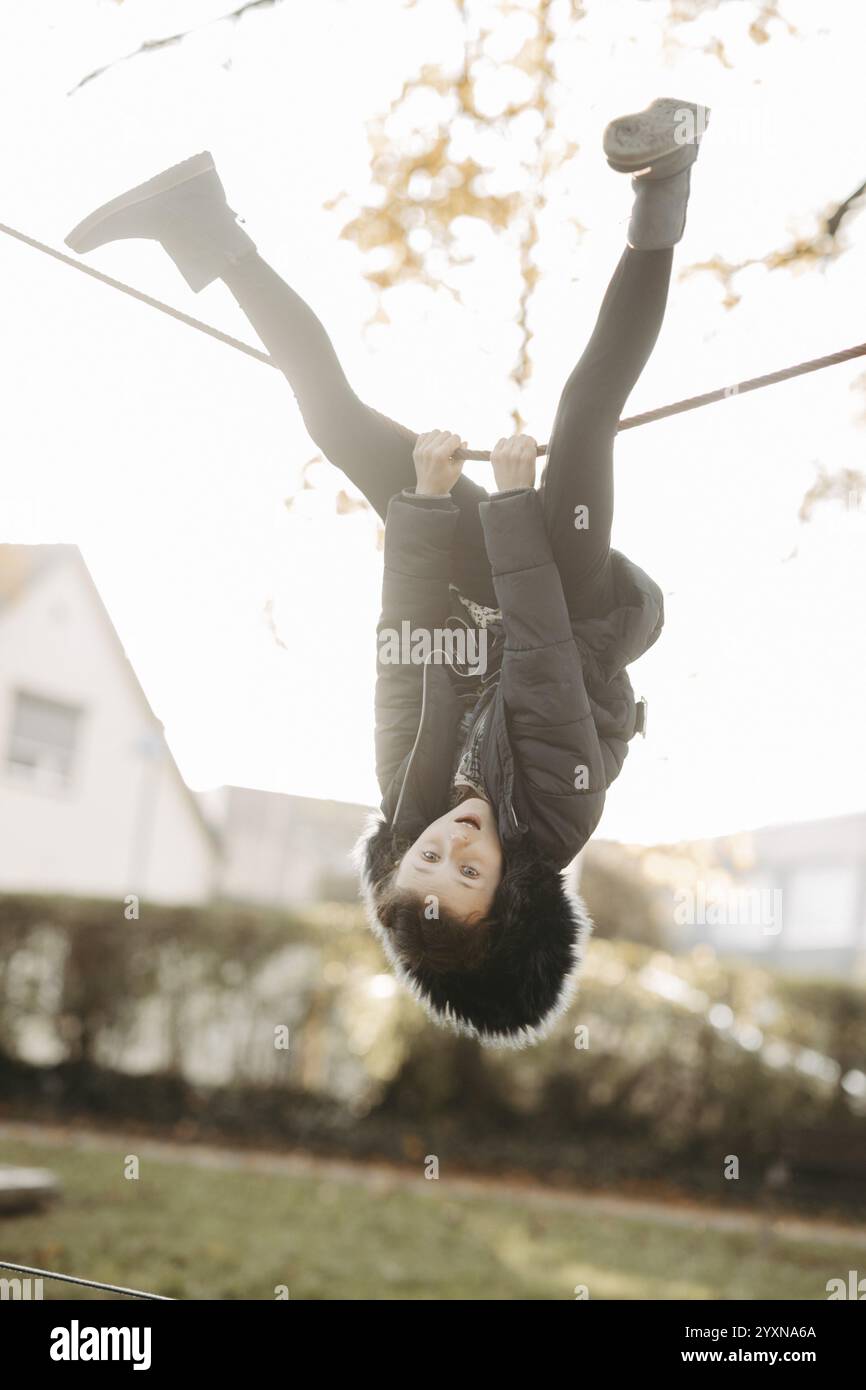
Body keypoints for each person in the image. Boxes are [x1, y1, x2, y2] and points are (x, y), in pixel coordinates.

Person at [64, 96, 710, 1047]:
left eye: (427, 864)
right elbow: (539, 653)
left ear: (399, 861)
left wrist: (419, 497)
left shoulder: (403, 790)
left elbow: (404, 643)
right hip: (565, 604)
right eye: (468, 874)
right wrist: (513, 499)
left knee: (331, 420)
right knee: (583, 415)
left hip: (472, 590)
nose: (448, 847)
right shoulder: (563, 806)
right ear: (515, 890)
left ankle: (200, 221)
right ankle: (668, 182)